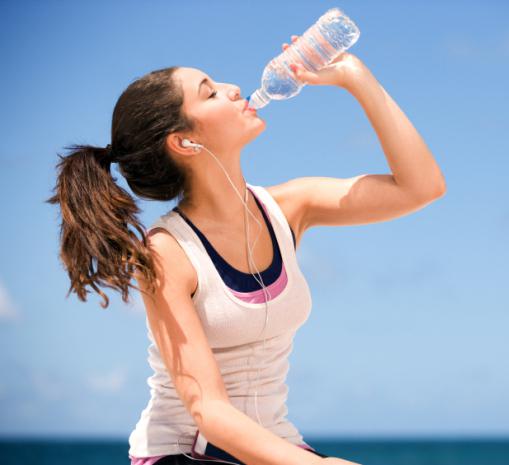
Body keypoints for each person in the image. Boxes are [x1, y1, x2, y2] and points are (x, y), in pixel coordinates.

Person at [46, 34, 446, 465]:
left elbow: (421, 187)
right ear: (185, 142)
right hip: (184, 452)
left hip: (276, 445)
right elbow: (210, 412)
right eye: (210, 92)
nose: (233, 88)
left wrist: (356, 77)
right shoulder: (168, 252)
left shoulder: (291, 208)